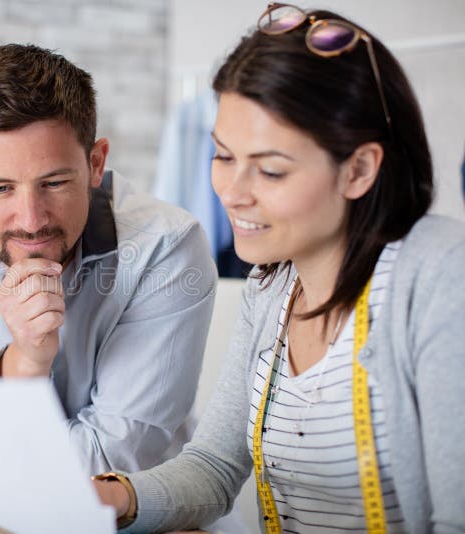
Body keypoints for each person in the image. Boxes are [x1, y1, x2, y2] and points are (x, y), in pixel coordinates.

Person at [94, 4, 465, 532]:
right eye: (223, 156)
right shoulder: (273, 288)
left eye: (270, 170)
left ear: (359, 169)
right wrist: (108, 496)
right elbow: (213, 468)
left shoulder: (438, 278)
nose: (232, 193)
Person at [0, 44, 217, 475]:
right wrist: (24, 360)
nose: (31, 221)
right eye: (0, 188)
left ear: (96, 163)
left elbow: (112, 463)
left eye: (55, 182)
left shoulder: (168, 250)